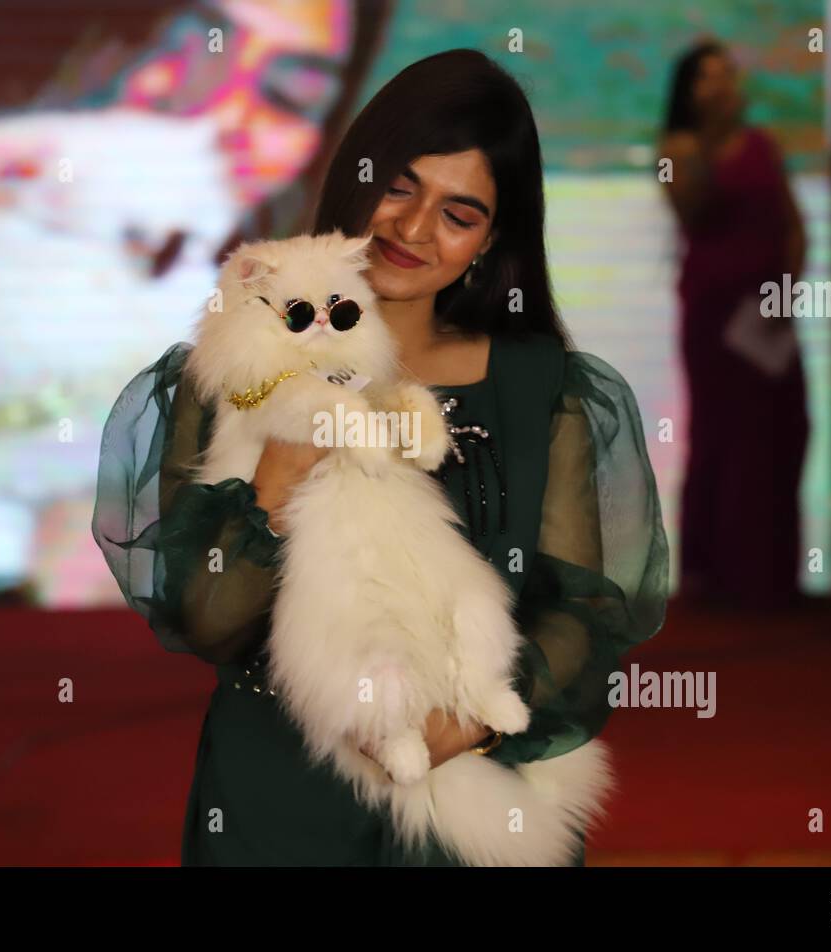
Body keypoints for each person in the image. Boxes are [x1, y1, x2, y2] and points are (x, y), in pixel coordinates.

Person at [93, 48, 668, 866]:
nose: (413, 228)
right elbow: (207, 619)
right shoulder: (230, 376)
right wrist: (277, 477)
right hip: (278, 799)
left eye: (458, 213)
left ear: (490, 240)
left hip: (471, 797)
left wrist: (463, 726)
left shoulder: (541, 386)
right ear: (354, 175)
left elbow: (579, 613)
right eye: (399, 186)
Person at [657, 40, 810, 609]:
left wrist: (786, 293)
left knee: (783, 428)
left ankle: (773, 575)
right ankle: (715, 574)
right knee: (723, 432)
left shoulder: (764, 145)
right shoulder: (678, 149)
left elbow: (793, 225)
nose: (723, 84)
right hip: (714, 313)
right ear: (688, 91)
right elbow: (691, 209)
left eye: (728, 74)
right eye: (708, 77)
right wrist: (707, 140)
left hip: (768, 309)